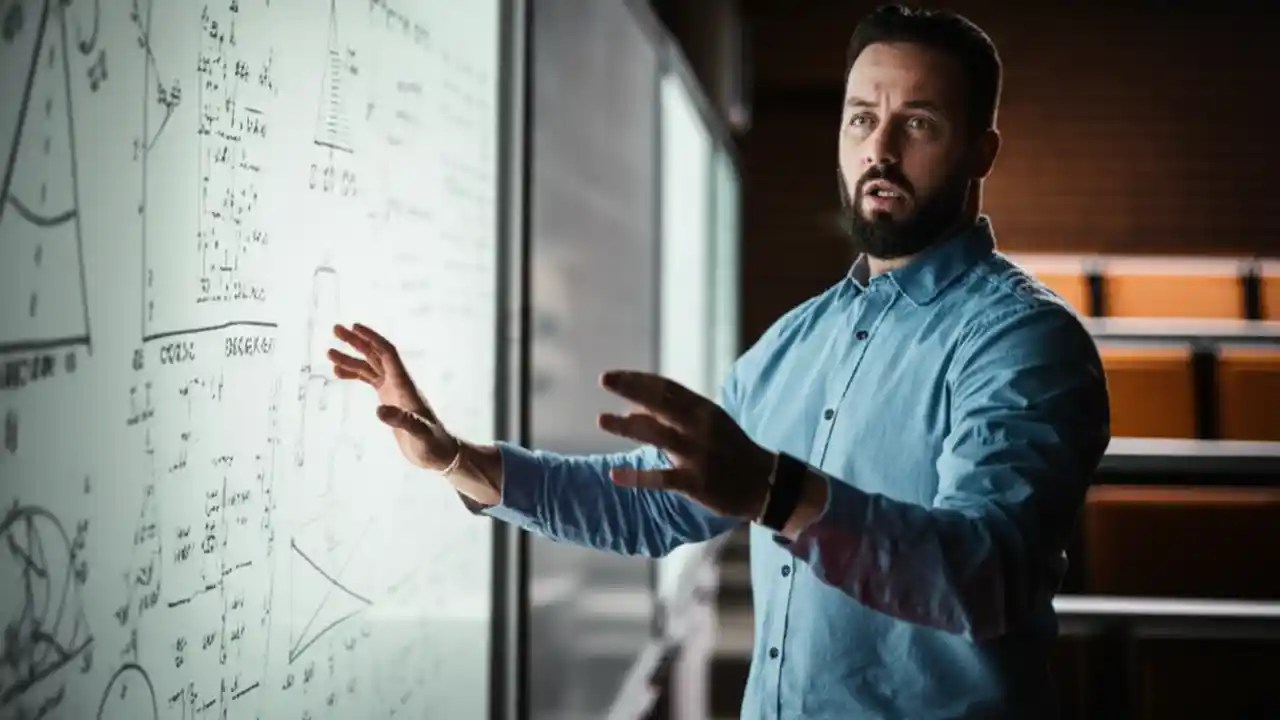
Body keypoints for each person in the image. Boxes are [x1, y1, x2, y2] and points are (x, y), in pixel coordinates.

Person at [328, 4, 1110, 718]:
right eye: (861, 118)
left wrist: (777, 493)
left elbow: (984, 574)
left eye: (919, 123)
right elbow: (656, 503)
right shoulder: (798, 341)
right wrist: (456, 459)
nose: (879, 148)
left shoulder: (1023, 341)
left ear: (982, 151)